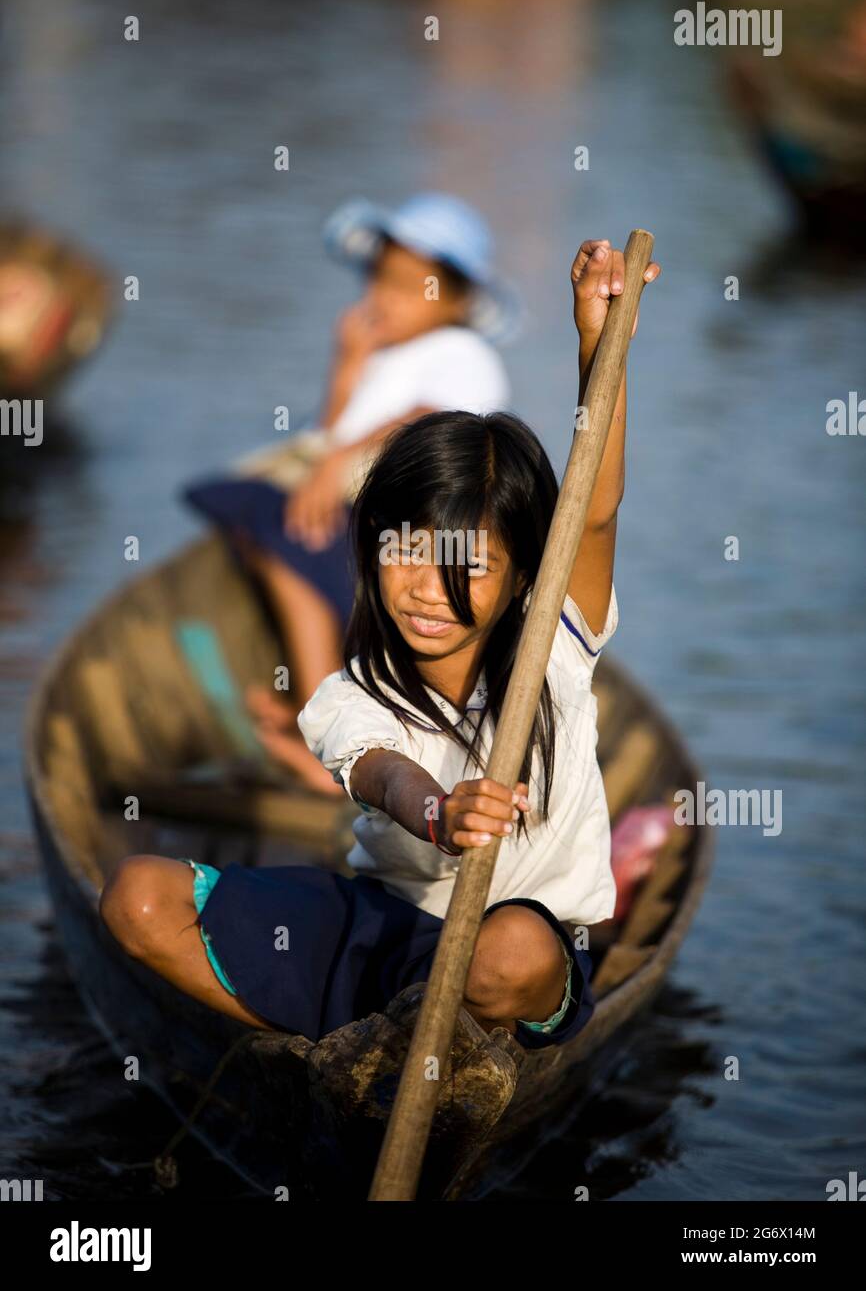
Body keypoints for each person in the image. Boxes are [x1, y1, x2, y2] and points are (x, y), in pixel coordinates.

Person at [100, 237, 661, 1050]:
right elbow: (382, 773)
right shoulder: (352, 692)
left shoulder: (558, 639)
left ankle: (411, 1045)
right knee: (137, 899)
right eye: (407, 552)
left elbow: (596, 508)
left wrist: (600, 346)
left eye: (469, 564)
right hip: (388, 932)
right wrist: (438, 813)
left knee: (507, 954)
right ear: (371, 545)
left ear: (521, 573)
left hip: (512, 950)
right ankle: (338, 1059)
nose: (430, 591)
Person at [184, 193, 516, 794]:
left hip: (416, 533)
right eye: (379, 279)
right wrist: (347, 365)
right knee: (261, 519)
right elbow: (328, 435)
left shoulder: (461, 353)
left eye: (413, 285)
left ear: (459, 300)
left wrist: (336, 459)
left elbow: (427, 424)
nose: (385, 296)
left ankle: (323, 740)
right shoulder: (384, 358)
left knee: (279, 531)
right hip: (361, 513)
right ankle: (325, 711)